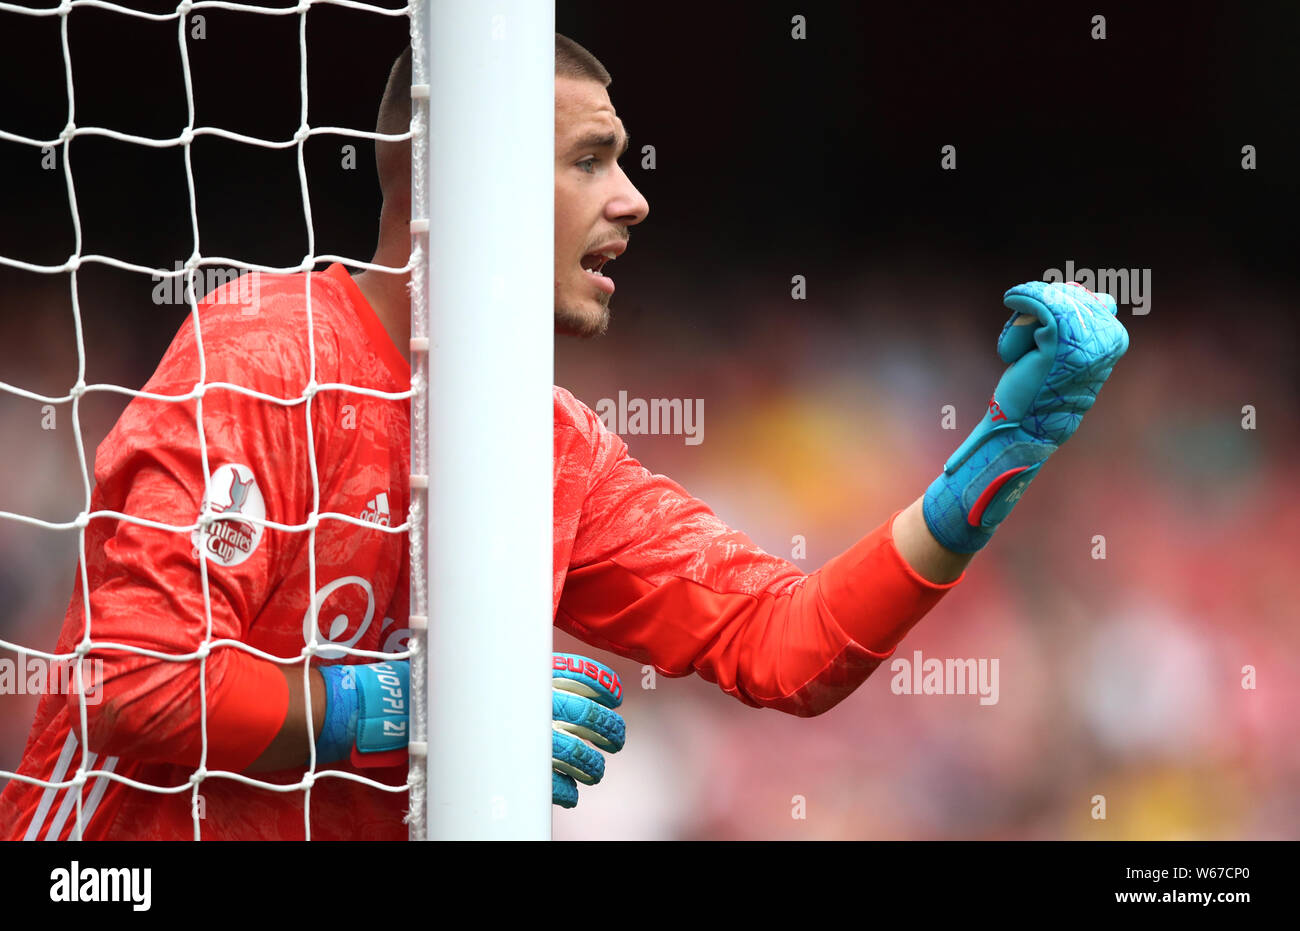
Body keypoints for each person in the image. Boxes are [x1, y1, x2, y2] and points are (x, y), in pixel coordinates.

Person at [0, 34, 1126, 840]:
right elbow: (137, 680)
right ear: (460, 174)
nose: (633, 198)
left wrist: (1001, 449)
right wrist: (424, 706)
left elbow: (790, 644)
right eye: (590, 159)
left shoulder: (556, 450)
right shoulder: (268, 355)